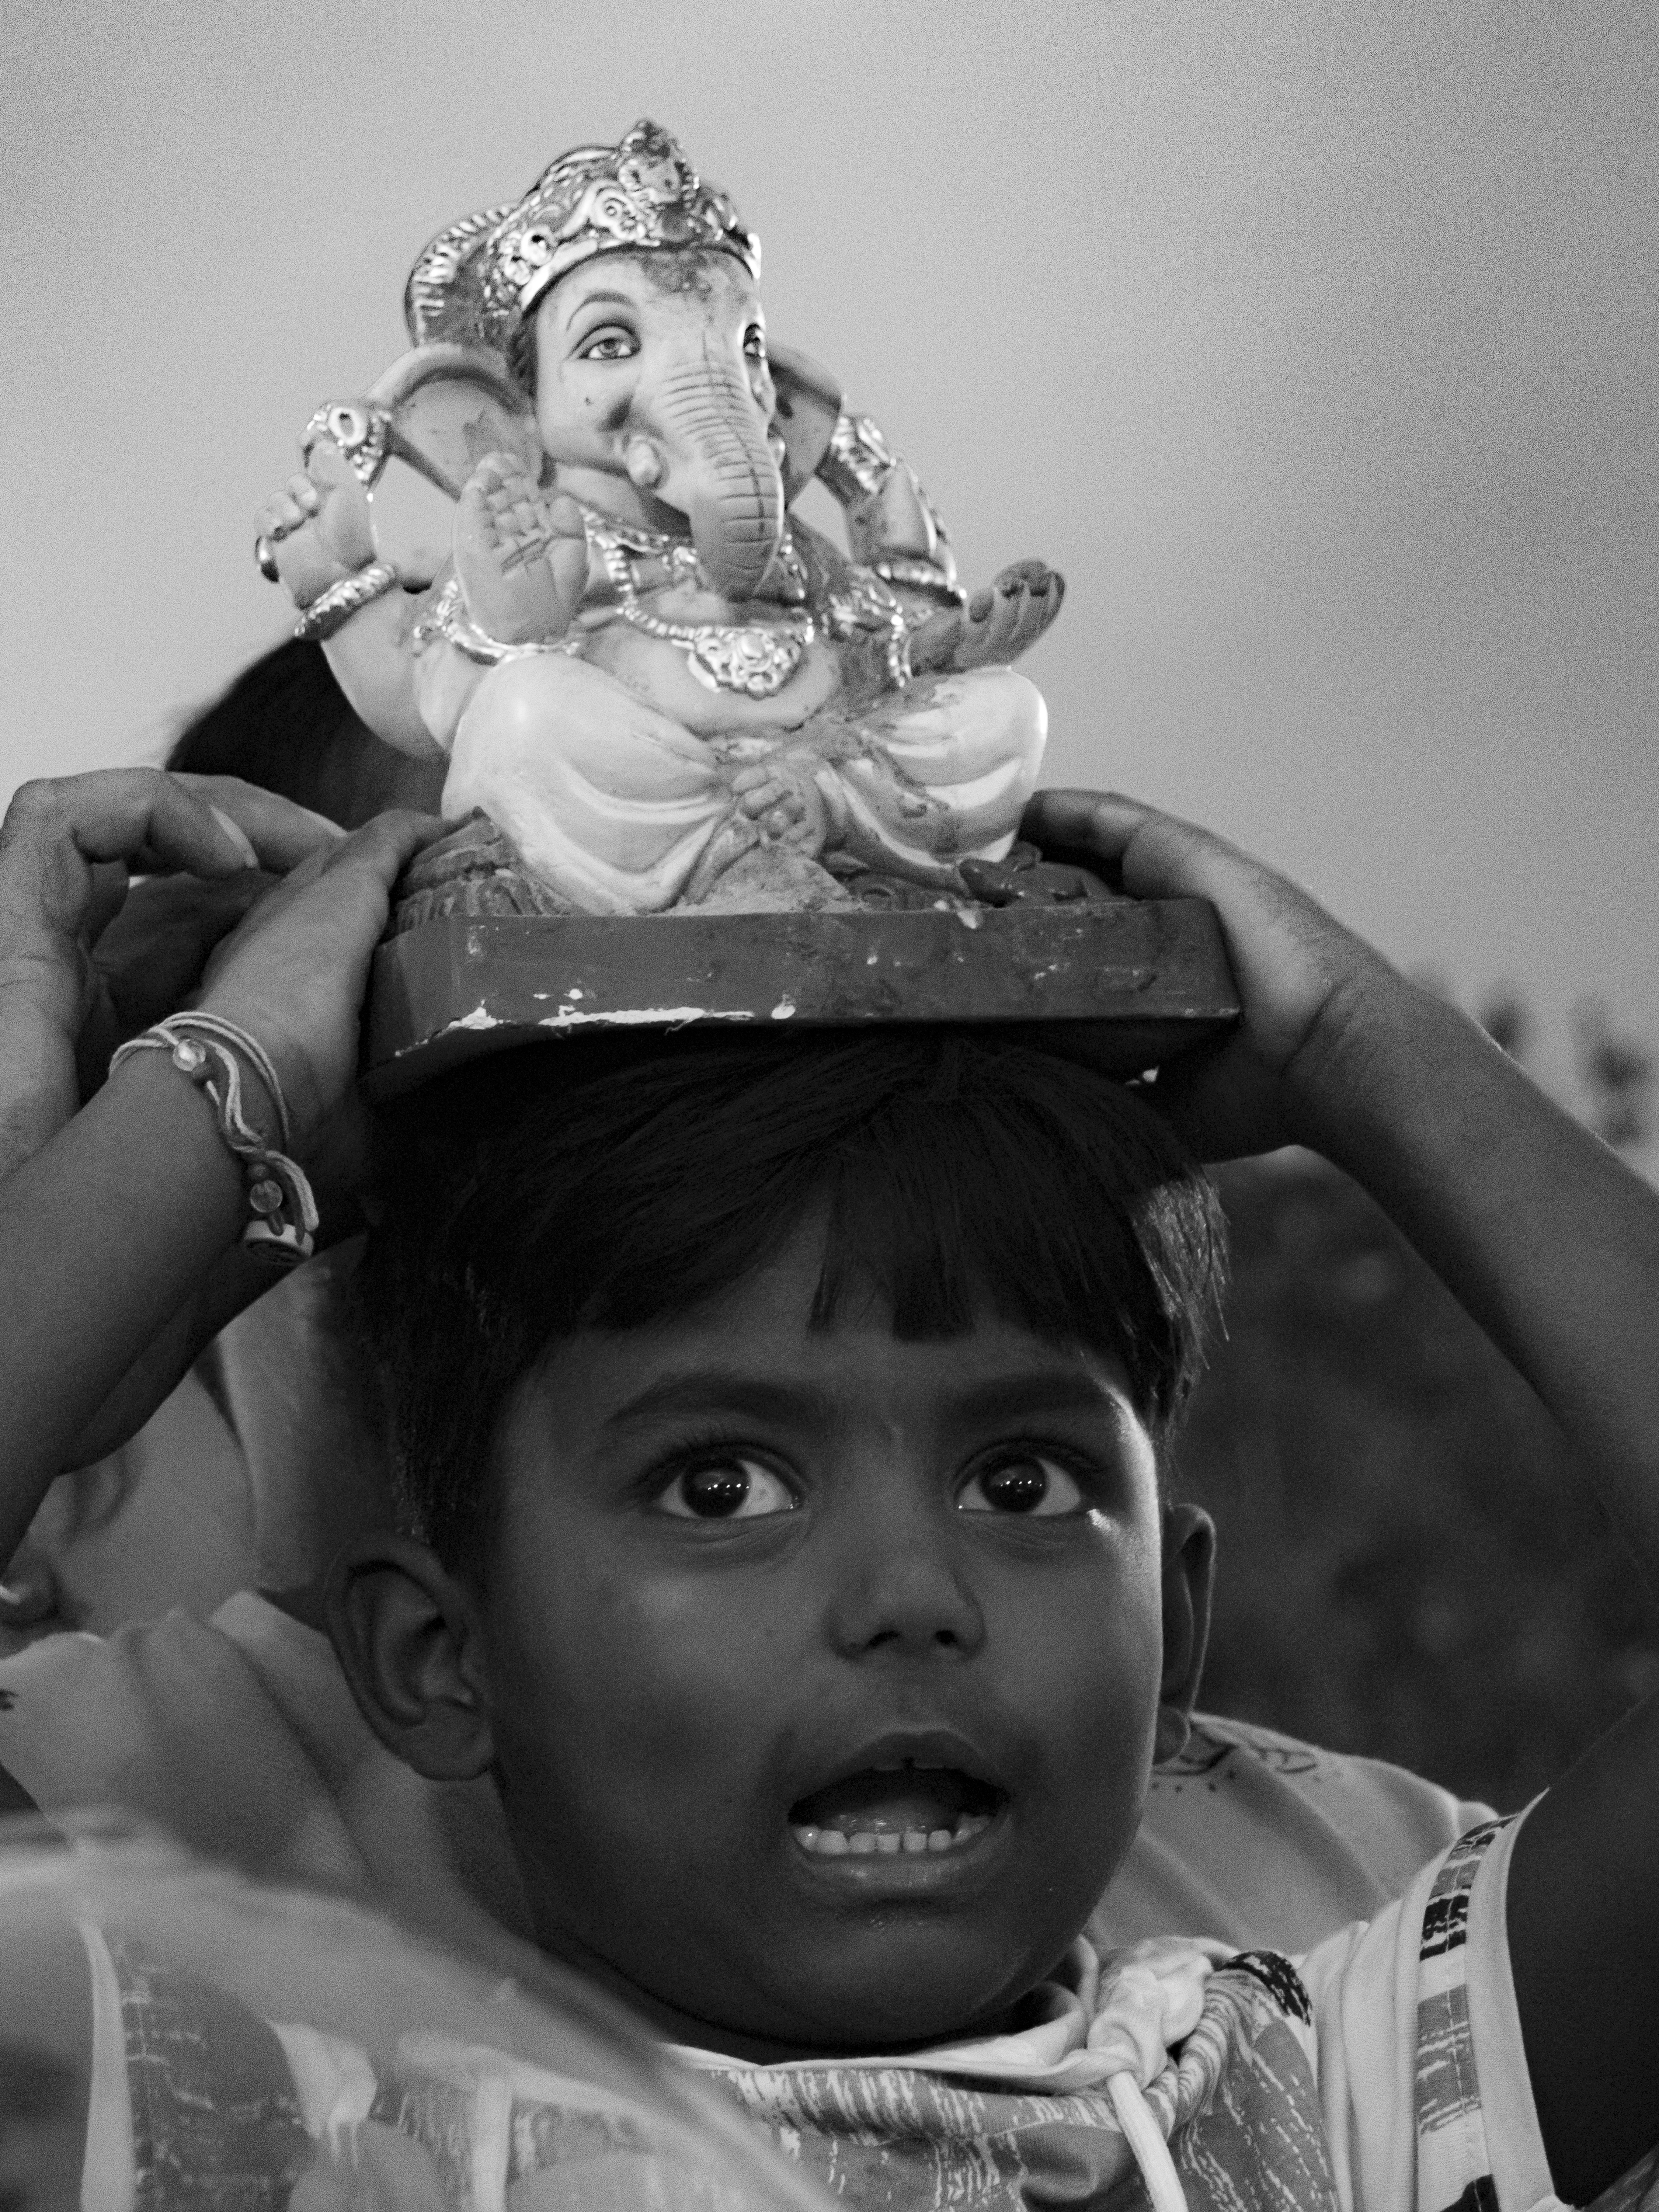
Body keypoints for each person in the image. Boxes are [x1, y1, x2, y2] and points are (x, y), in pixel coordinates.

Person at [0, 771, 1655, 2205]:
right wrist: (216, 1103)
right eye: (719, 1486)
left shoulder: (1328, 2118)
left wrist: (1349, 1040)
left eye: (1023, 1476)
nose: (910, 1596)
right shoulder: (293, 2149)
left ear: (1182, 1635)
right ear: (445, 1661)